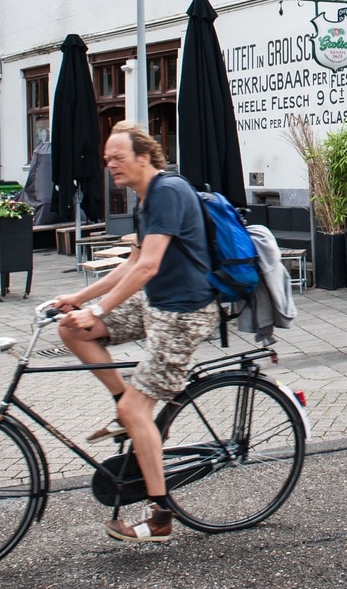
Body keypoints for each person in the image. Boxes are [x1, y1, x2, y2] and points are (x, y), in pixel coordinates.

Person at [46, 120, 218, 543]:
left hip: (184, 313)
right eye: (107, 159)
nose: (109, 166)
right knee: (73, 329)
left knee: (136, 412)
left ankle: (160, 518)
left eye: (117, 158)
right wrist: (78, 299)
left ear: (143, 157)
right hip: (155, 303)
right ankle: (125, 403)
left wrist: (99, 309)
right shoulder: (145, 200)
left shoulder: (169, 192)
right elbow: (130, 264)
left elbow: (148, 265)